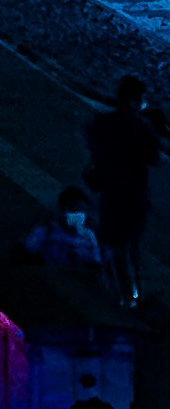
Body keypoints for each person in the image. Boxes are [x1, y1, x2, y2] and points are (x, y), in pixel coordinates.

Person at [84, 76, 159, 308]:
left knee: (110, 241)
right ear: (134, 101)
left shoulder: (102, 123)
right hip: (134, 194)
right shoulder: (141, 128)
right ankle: (131, 296)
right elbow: (153, 158)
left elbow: (93, 148)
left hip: (110, 191)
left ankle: (113, 289)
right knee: (131, 245)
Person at [20, 187, 104, 271]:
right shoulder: (45, 232)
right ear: (63, 211)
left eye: (83, 211)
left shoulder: (90, 239)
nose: (79, 215)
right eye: (74, 209)